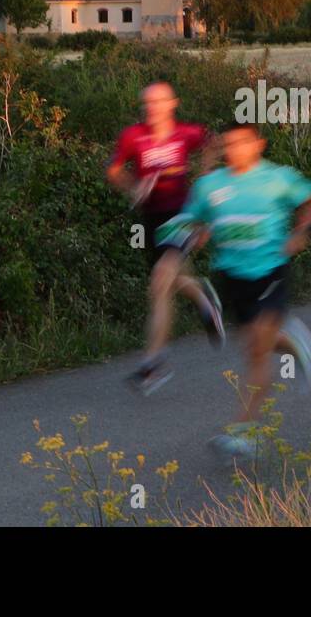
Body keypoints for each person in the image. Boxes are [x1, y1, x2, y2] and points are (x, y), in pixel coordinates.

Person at [154, 121, 311, 461]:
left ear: (258, 144)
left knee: (256, 352)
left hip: (271, 270)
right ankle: (297, 345)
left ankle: (244, 431)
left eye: (242, 143)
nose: (235, 150)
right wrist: (180, 249)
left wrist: (301, 230)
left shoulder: (278, 178)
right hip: (231, 275)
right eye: (228, 144)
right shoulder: (209, 186)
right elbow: (193, 223)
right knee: (257, 341)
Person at [108, 82, 224, 394]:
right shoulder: (133, 136)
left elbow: (215, 144)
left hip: (183, 214)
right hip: (152, 218)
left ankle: (153, 365)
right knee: (171, 279)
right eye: (148, 102)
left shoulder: (188, 133)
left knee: (160, 281)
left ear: (173, 103)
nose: (153, 107)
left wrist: (204, 181)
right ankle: (205, 300)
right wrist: (134, 187)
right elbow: (114, 170)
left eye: (159, 101)